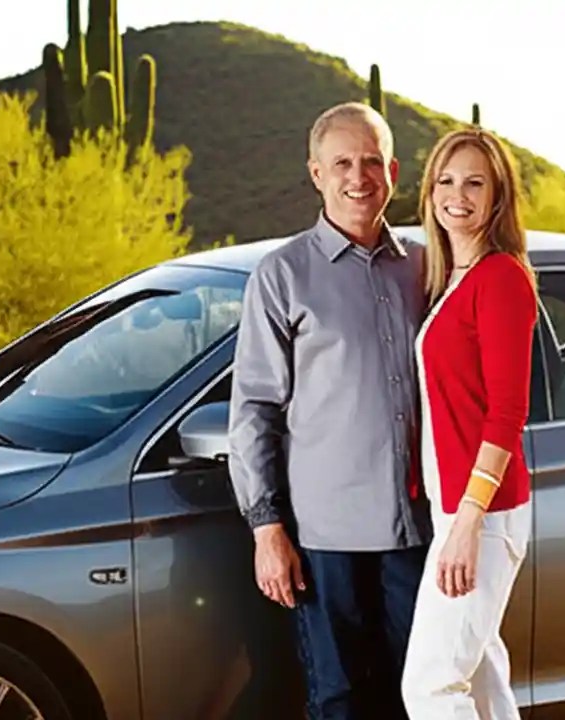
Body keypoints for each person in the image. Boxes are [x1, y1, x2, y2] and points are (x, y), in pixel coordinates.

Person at [227, 101, 432, 720]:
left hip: (420, 533)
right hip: (326, 543)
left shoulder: (426, 267)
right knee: (340, 703)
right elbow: (254, 408)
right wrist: (268, 530)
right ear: (316, 173)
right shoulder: (281, 275)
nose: (358, 176)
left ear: (393, 169)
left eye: (372, 160)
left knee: (421, 695)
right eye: (342, 161)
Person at [400, 128, 538, 719]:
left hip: (481, 514)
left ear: (497, 196)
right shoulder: (453, 279)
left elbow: (508, 412)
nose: (458, 194)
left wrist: (466, 523)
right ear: (430, 191)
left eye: (475, 182)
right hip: (455, 509)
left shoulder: (501, 278)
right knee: (483, 681)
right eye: (447, 180)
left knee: (431, 687)